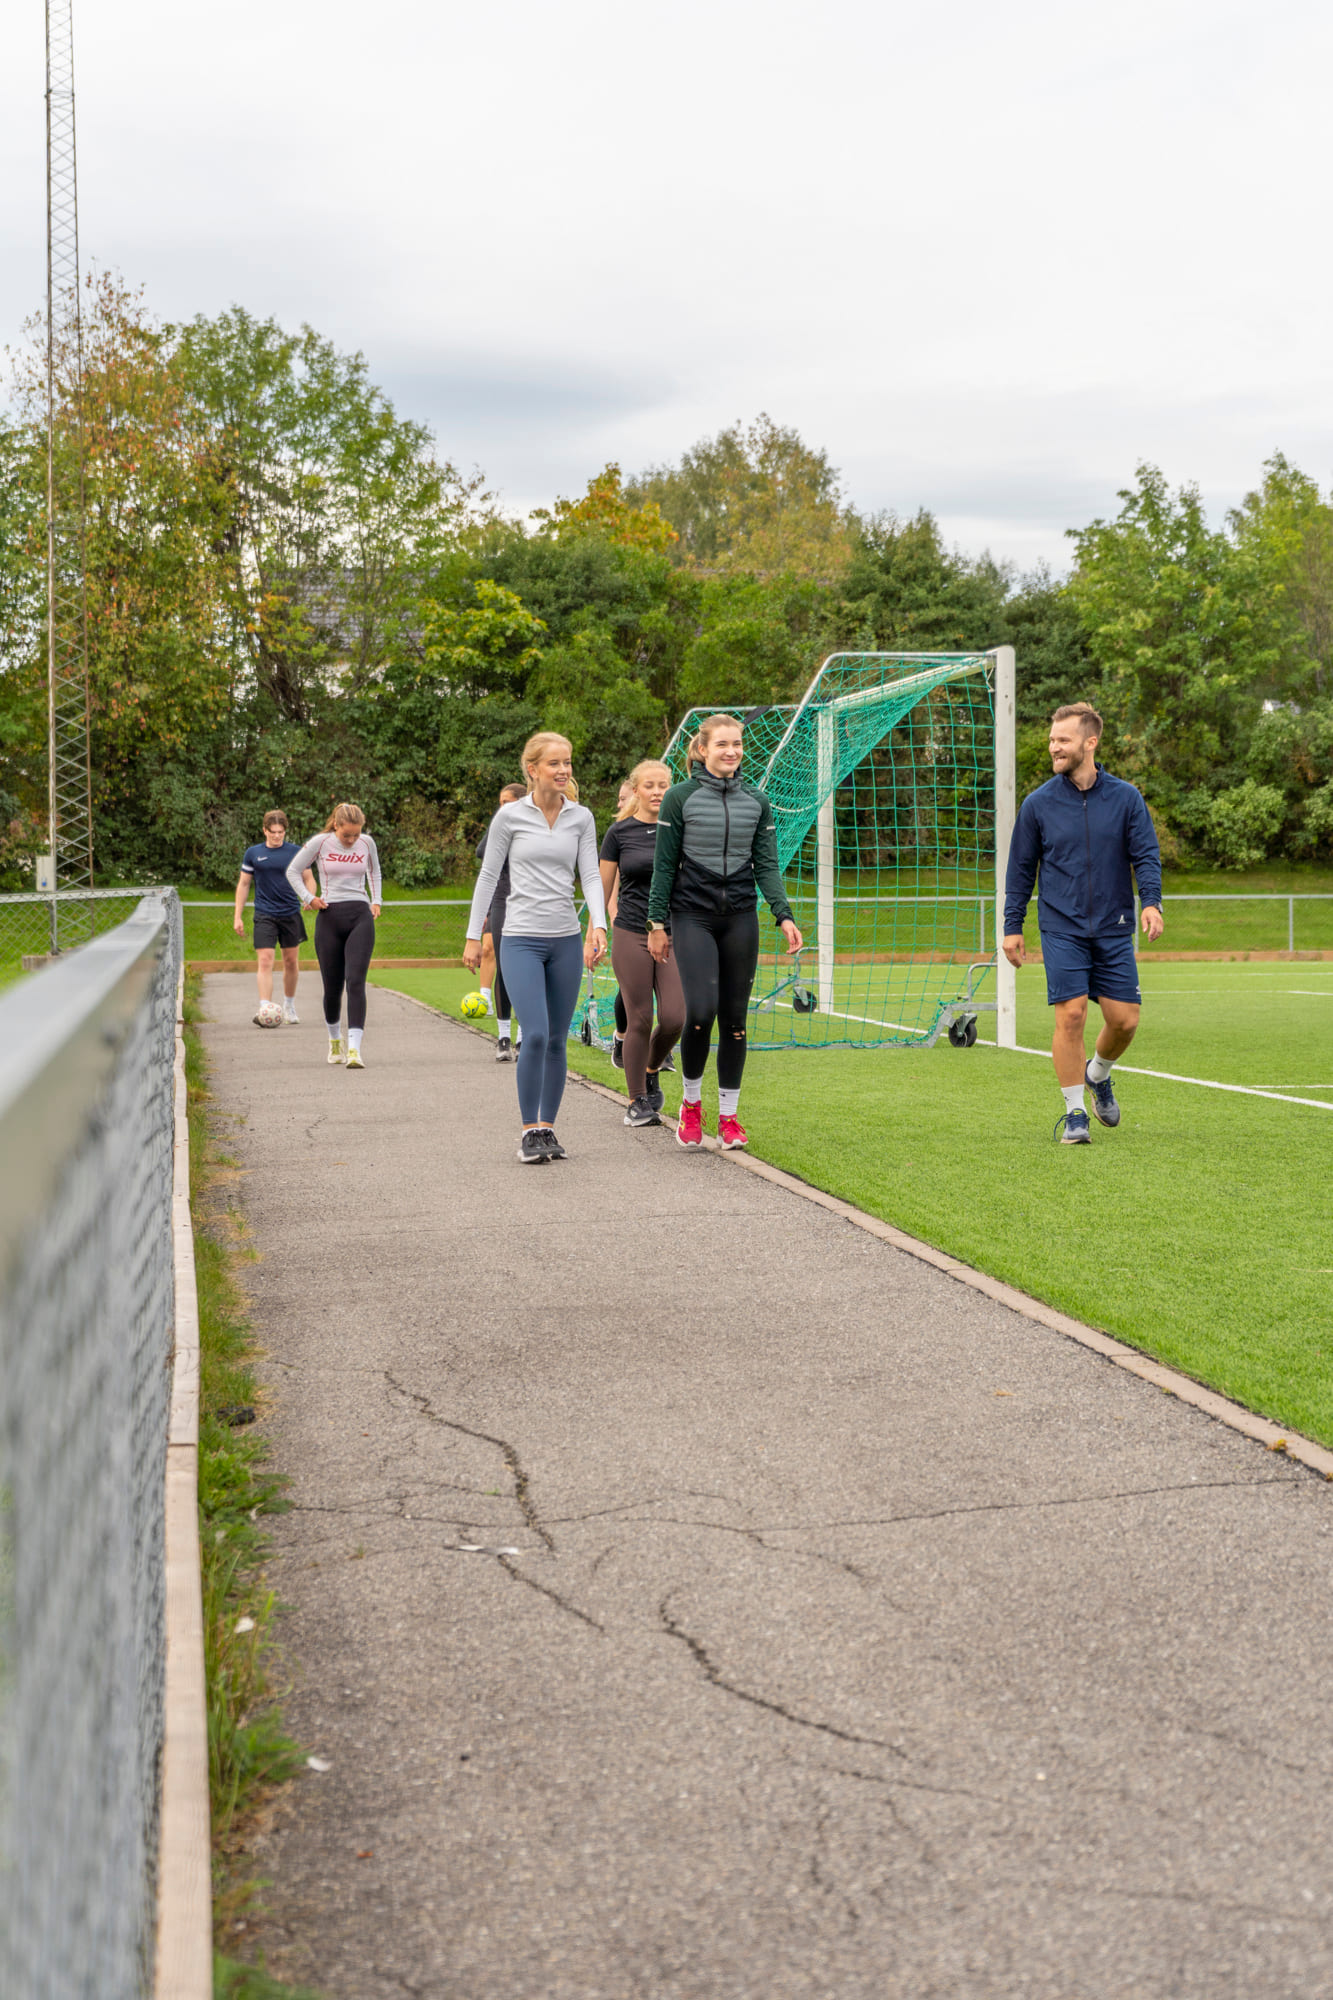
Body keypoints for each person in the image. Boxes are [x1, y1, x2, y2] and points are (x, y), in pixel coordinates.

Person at [1003, 703, 1164, 1144]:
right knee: (1071, 1015)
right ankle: (1075, 1113)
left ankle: (1099, 1073)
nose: (1054, 747)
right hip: (1061, 925)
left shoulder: (1126, 798)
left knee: (1125, 1022)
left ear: (1089, 743)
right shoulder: (1038, 805)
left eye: (1063, 740)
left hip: (1114, 926)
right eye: (1052, 740)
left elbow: (1146, 856)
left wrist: (1152, 903)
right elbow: (1020, 869)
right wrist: (1012, 925)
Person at [646, 712, 803, 1151]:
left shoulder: (758, 800)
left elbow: (767, 864)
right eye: (721, 744)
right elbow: (663, 866)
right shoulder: (679, 797)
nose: (731, 751)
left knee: (735, 1021)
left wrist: (783, 913)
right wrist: (657, 923)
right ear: (702, 749)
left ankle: (730, 1117)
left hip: (739, 916)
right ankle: (691, 1106)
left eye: (736, 743)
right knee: (700, 1013)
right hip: (691, 915)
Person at [463, 734, 607, 1163]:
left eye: (567, 763)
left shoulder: (581, 817)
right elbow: (488, 878)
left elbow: (592, 876)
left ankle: (547, 1129)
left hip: (564, 939)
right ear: (533, 769)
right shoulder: (509, 817)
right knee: (537, 1034)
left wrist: (597, 925)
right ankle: (528, 1131)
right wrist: (474, 935)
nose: (563, 770)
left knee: (559, 1039)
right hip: (520, 939)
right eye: (554, 764)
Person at [599, 761, 685, 1128]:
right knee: (639, 1017)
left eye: (663, 785)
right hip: (631, 931)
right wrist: (595, 931)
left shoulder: (683, 831)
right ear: (635, 791)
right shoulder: (619, 833)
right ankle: (636, 1100)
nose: (656, 791)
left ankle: (651, 1069)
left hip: (675, 935)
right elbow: (600, 889)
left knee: (674, 1018)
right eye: (649, 785)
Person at [285, 803, 383, 1071]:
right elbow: (292, 871)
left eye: (356, 834)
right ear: (336, 826)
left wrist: (377, 900)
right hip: (329, 916)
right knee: (332, 988)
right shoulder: (321, 842)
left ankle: (354, 1049)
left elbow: (374, 871)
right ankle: (334, 1041)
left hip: (360, 916)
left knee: (355, 982)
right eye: (346, 835)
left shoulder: (367, 843)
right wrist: (309, 898)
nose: (352, 840)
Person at [234, 809, 306, 1023]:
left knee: (291, 962)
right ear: (264, 830)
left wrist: (308, 897)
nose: (276, 836)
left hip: (291, 913)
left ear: (285, 831)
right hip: (264, 913)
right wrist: (237, 916)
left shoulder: (296, 852)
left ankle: (289, 1006)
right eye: (272, 832)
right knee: (265, 960)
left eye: (280, 832)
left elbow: (308, 878)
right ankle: (265, 1008)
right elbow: (244, 884)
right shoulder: (253, 853)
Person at [475, 781, 527, 1060]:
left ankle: (522, 1038)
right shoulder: (500, 825)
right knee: (505, 969)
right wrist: (501, 822)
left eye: (507, 803)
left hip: (530, 903)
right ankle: (504, 1038)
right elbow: (481, 852)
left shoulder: (534, 823)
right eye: (500, 803)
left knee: (526, 971)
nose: (502, 808)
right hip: (502, 902)